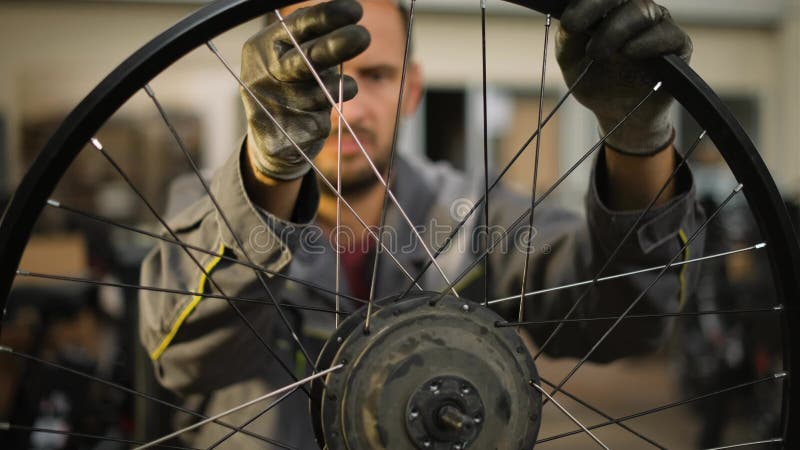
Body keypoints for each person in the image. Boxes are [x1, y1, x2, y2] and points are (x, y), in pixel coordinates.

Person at [139, 0, 702, 447]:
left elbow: (626, 321)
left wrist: (637, 141)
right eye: (316, 80)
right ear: (263, 92)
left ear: (411, 89)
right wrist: (269, 176)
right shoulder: (210, 208)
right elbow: (183, 361)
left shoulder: (470, 212)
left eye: (375, 75)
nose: (348, 108)